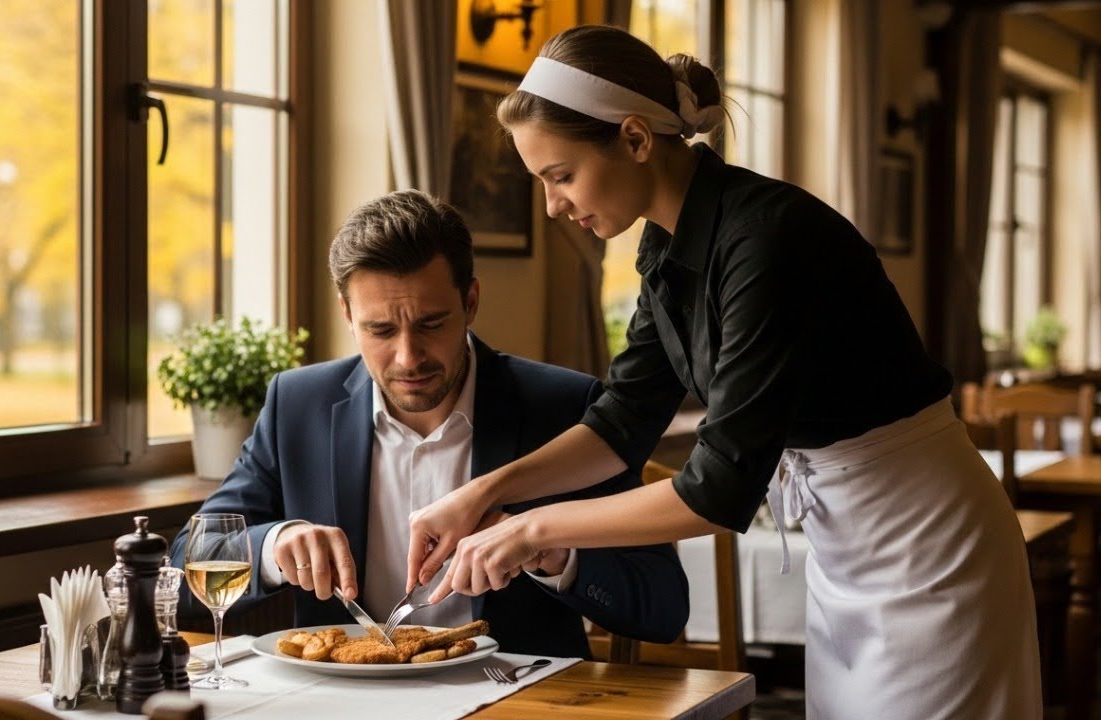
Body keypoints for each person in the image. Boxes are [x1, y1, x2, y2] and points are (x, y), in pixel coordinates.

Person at [405, 25, 1040, 718]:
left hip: (930, 546)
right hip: (845, 552)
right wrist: (483, 494)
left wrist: (531, 529)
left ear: (637, 139)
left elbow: (716, 492)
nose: (554, 204)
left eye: (560, 176)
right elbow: (622, 423)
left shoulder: (767, 240)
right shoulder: (666, 249)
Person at [170, 189, 688, 658]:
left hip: (513, 705)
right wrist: (273, 547)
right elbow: (187, 561)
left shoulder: (564, 407)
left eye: (431, 324)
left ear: (470, 303)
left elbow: (664, 607)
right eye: (379, 329)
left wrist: (553, 553)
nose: (407, 357)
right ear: (347, 316)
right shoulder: (297, 404)